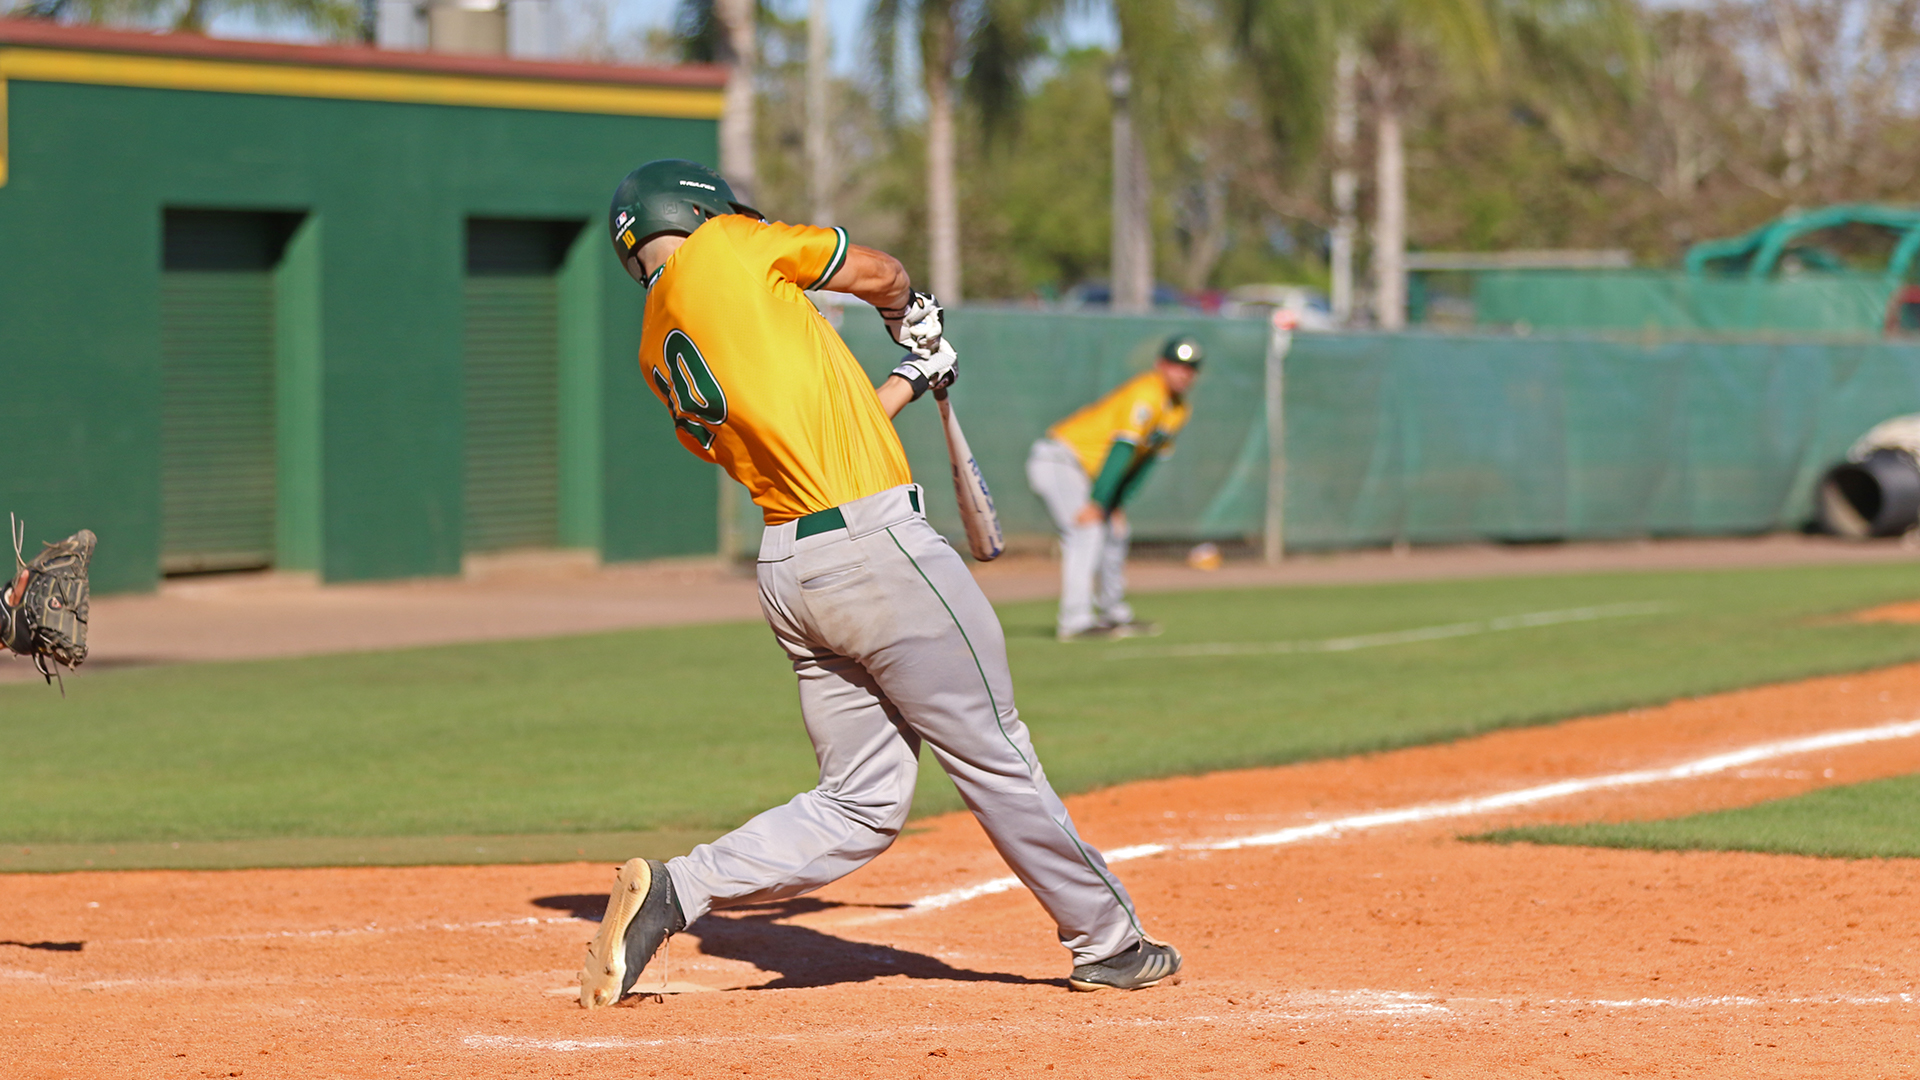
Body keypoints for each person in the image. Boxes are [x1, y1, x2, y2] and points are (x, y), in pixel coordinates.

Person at [579, 159, 1180, 1007]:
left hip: (793, 570)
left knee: (860, 803)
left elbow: (812, 430)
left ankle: (677, 890)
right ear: (703, 210)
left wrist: (911, 376)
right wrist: (907, 313)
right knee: (997, 752)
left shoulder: (656, 342)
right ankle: (1110, 941)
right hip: (877, 553)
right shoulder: (734, 244)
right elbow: (883, 273)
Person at [1026, 336, 1201, 641]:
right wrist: (1098, 502)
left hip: (1088, 473)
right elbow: (1122, 449)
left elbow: (1143, 462)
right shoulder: (1147, 394)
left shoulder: (1178, 409)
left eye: (1190, 368)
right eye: (1176, 366)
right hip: (1060, 460)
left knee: (1116, 532)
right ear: (1161, 366)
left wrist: (1117, 502)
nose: (1183, 374)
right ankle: (1075, 620)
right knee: (1087, 531)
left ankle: (1113, 613)